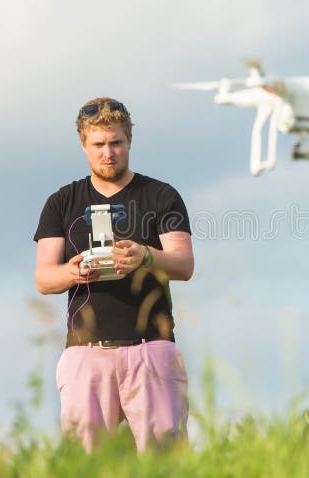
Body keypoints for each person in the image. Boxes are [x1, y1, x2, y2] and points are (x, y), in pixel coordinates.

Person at [33, 97, 194, 452]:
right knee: (86, 465)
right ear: (83, 145)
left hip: (151, 348)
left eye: (116, 142)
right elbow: (44, 279)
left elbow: (184, 264)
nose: (109, 153)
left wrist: (145, 256)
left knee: (165, 464)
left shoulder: (161, 196)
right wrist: (72, 271)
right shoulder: (61, 202)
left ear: (129, 141)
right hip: (85, 353)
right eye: (99, 144)